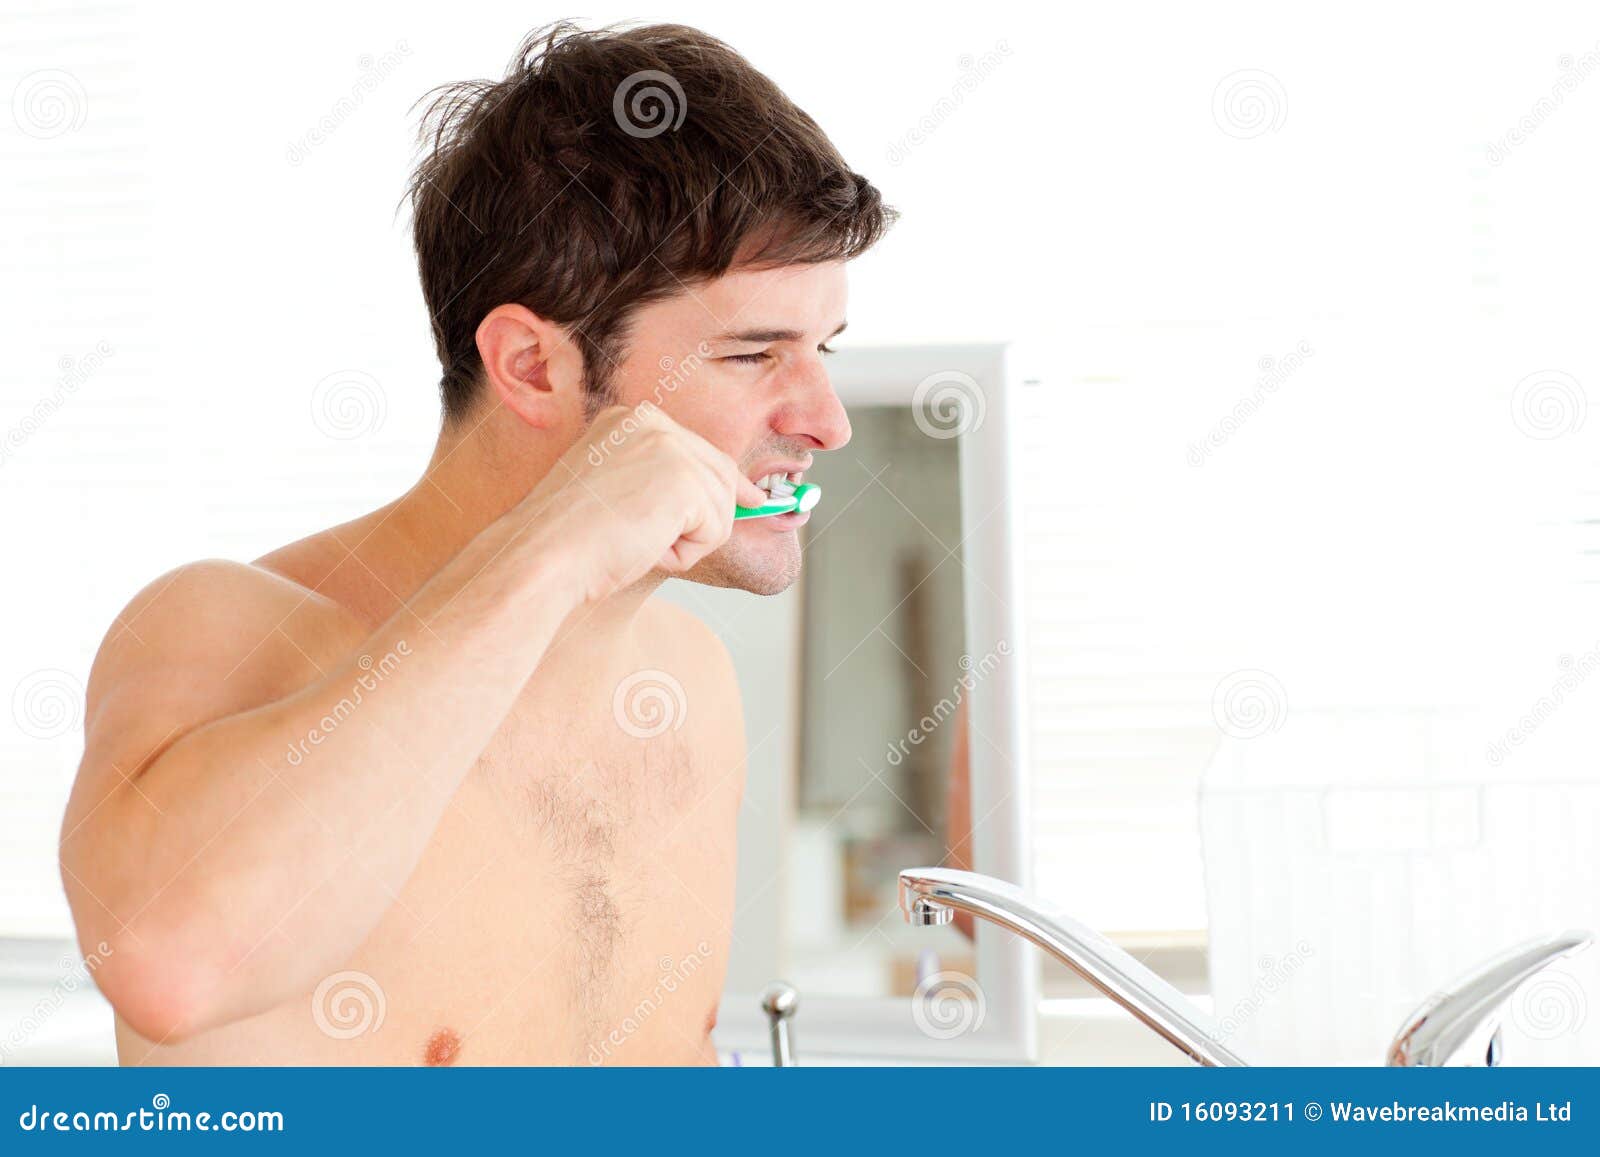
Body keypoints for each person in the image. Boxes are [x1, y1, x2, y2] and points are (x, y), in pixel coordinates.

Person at [59, 20, 894, 1065]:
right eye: (751, 352)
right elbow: (168, 965)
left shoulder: (689, 681)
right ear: (533, 367)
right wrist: (557, 548)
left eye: (822, 350)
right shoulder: (223, 630)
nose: (828, 420)